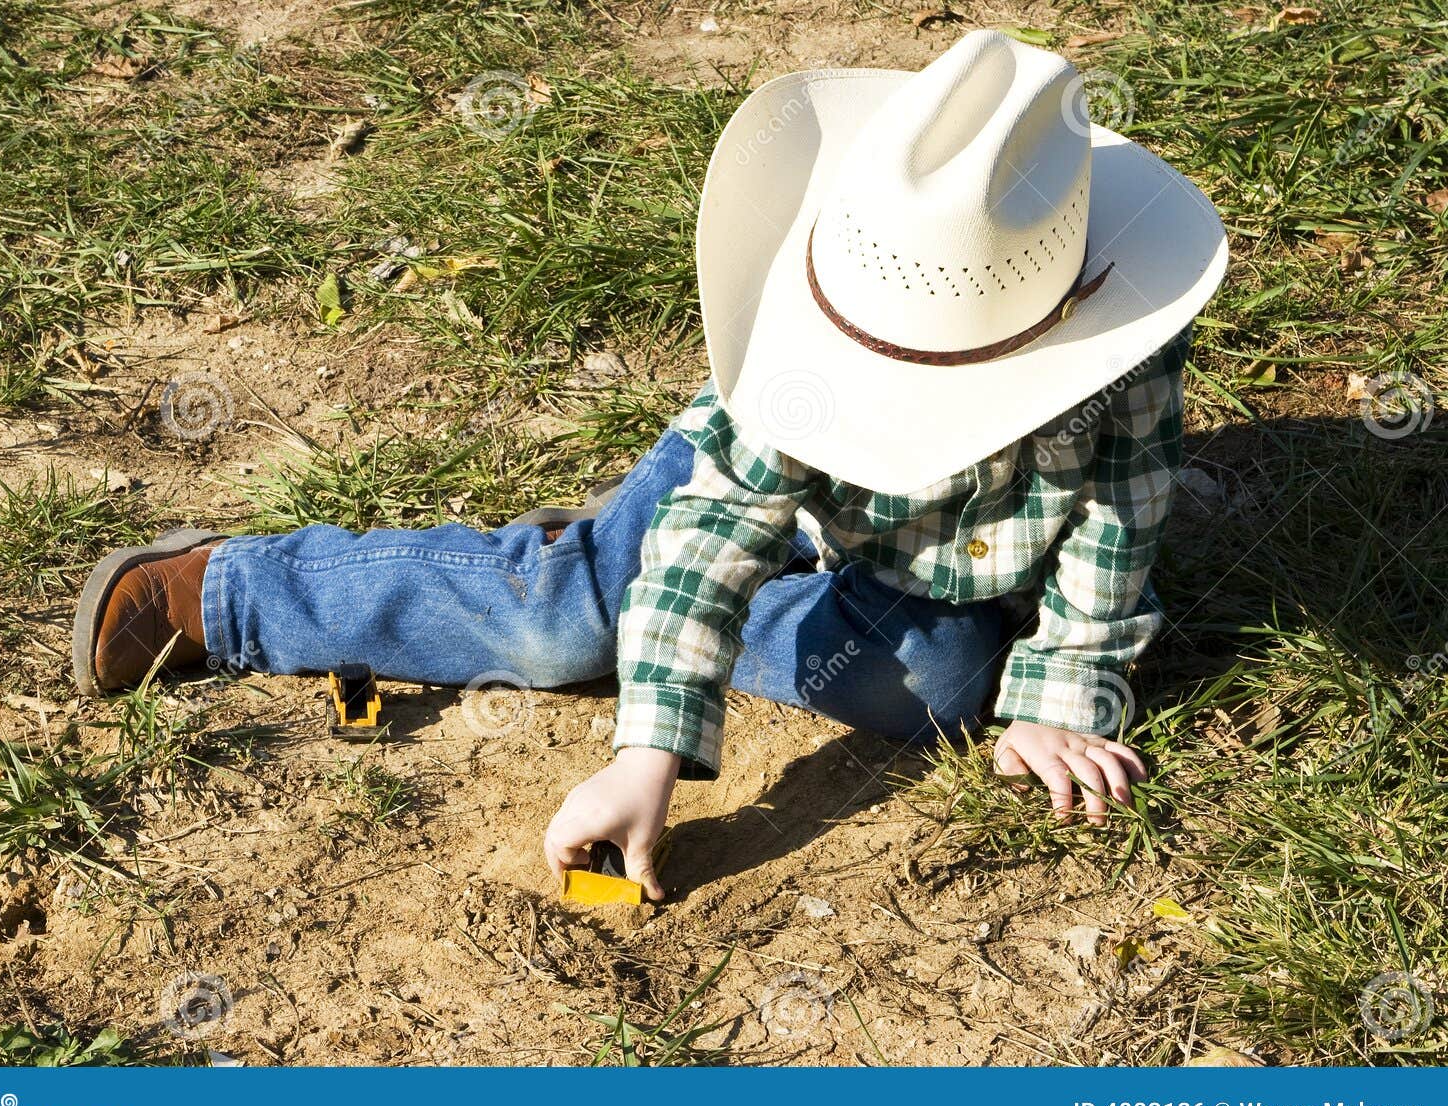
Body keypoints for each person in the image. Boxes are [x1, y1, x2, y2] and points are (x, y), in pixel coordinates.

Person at [72, 30, 1227, 901]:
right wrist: (649, 749)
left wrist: (1061, 695)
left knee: (943, 688)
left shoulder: (1118, 363)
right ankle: (232, 591)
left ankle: (660, 601)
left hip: (918, 566)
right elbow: (722, 531)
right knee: (559, 629)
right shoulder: (804, 354)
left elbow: (1111, 539)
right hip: (737, 489)